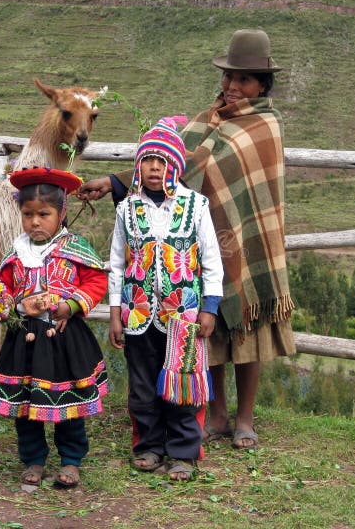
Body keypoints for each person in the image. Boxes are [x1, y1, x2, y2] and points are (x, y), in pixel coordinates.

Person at [81, 29, 295, 450]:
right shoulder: (205, 120)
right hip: (195, 235)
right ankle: (215, 413)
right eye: (229, 77)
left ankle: (245, 417)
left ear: (262, 85)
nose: (233, 87)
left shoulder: (265, 125)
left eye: (245, 80)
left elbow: (246, 181)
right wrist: (116, 181)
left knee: (247, 324)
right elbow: (175, 162)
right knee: (208, 330)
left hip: (244, 240)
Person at [107, 118, 223, 481]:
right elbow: (116, 262)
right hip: (137, 311)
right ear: (138, 165)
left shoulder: (195, 205)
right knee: (142, 385)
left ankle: (183, 453)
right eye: (148, 160)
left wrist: (209, 308)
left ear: (176, 165)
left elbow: (212, 259)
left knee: (183, 382)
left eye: (163, 161)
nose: (155, 168)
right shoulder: (127, 209)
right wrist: (114, 313)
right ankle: (149, 447)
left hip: (183, 315)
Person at [0, 166, 109, 488]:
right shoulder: (16, 254)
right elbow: (3, 289)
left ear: (62, 213)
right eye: (28, 214)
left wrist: (70, 305)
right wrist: (2, 304)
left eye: (44, 214)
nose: (35, 222)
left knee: (68, 403)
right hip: (24, 341)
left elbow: (97, 281)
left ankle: (71, 460)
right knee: (25, 406)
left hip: (63, 339)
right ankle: (34, 458)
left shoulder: (75, 249)